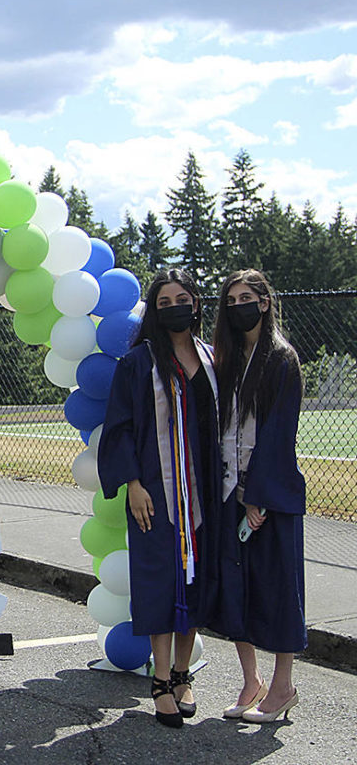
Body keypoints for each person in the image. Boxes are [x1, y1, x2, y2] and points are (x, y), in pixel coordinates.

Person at [98, 269, 221, 729]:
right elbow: (120, 427)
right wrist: (132, 483)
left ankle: (184, 674)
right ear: (154, 309)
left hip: (205, 495)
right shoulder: (138, 363)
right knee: (157, 583)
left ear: (196, 303)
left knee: (196, 582)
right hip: (155, 490)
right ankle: (161, 679)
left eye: (182, 298)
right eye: (164, 301)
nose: (174, 307)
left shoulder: (212, 359)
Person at [208, 269, 306, 723]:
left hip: (268, 496)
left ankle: (283, 686)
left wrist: (256, 496)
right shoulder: (228, 359)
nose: (238, 306)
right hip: (230, 490)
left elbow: (277, 435)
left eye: (246, 297)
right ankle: (252, 681)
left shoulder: (280, 359)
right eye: (231, 300)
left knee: (278, 589)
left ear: (265, 303)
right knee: (234, 590)